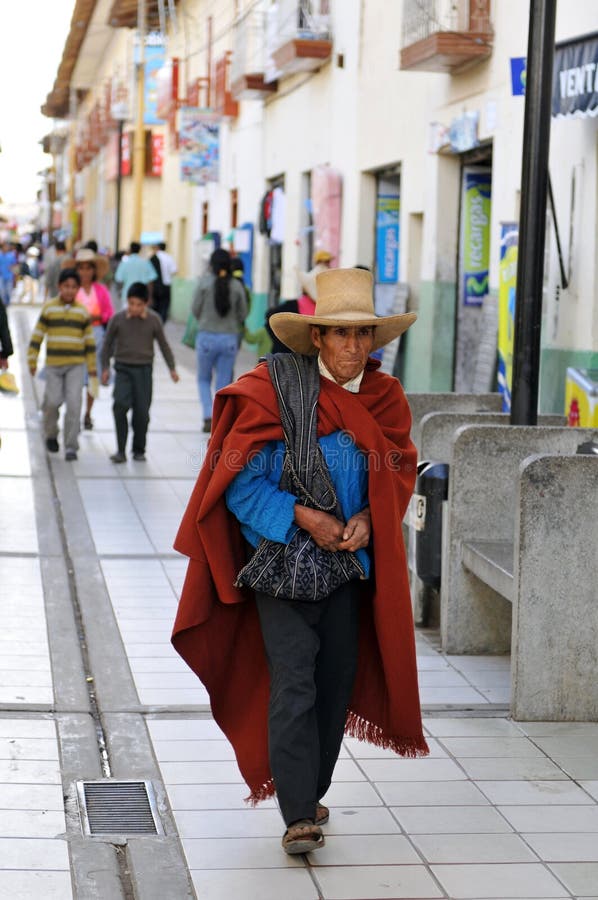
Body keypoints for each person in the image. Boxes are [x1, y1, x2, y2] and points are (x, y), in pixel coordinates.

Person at [171, 267, 428, 856]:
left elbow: (394, 476)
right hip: (281, 567)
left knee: (335, 684)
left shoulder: (386, 401)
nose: (352, 346)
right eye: (340, 334)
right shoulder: (272, 392)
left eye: (363, 335)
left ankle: (311, 791)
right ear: (316, 338)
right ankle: (296, 815)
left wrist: (367, 521)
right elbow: (238, 482)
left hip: (345, 570)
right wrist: (304, 517)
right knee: (295, 680)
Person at [101, 282, 179, 463]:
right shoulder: (118, 319)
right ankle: (120, 450)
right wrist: (105, 367)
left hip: (144, 371)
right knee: (119, 405)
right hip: (122, 369)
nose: (134, 308)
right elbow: (107, 344)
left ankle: (138, 449)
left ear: (146, 303)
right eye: (131, 303)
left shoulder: (154, 320)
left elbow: (163, 345)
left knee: (142, 413)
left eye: (138, 304)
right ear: (127, 301)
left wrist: (172, 368)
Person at [27, 268, 96, 461]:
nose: (69, 290)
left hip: (75, 365)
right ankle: (51, 433)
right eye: (66, 286)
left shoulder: (82, 312)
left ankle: (71, 445)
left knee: (74, 404)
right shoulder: (49, 308)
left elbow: (89, 341)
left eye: (74, 287)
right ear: (59, 287)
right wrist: (32, 359)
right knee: (52, 402)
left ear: (78, 289)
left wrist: (92, 368)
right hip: (54, 366)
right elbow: (37, 335)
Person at [191, 248, 247, 433]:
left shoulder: (204, 283)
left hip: (206, 336)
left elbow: (195, 309)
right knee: (224, 381)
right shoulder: (237, 286)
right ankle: (220, 419)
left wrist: (206, 320)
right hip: (229, 338)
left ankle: (207, 415)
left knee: (203, 379)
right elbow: (243, 314)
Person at [62, 248, 114, 430]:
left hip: (96, 336)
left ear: (93, 270)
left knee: (92, 375)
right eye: (81, 268)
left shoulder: (100, 290)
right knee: (74, 376)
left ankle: (88, 413)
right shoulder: (72, 289)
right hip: (74, 336)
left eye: (88, 268)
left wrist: (97, 317)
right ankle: (74, 412)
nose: (85, 272)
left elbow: (109, 312)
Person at [114, 241, 157, 308]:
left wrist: (120, 291)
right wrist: (150, 296)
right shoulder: (145, 262)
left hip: (127, 296)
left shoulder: (125, 263)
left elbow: (119, 279)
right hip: (142, 297)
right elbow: (151, 280)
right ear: (139, 250)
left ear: (130, 250)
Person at [150, 242, 177, 323]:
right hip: (166, 285)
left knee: (156, 306)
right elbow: (174, 271)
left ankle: (155, 322)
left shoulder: (153, 258)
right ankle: (161, 322)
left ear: (157, 247)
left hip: (155, 286)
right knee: (164, 306)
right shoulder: (169, 258)